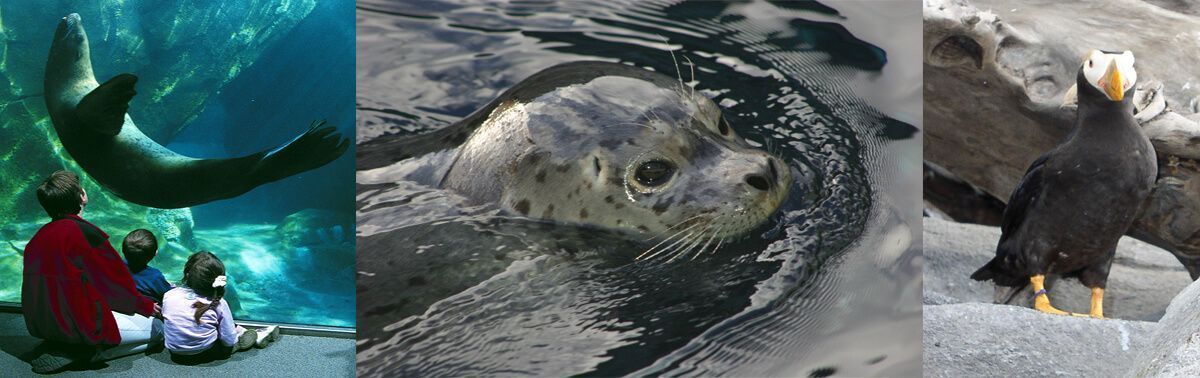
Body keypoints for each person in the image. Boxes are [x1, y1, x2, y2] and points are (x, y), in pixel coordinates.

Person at [22, 170, 162, 373]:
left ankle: (61, 345)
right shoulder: (84, 234)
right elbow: (114, 287)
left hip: (44, 326)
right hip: (78, 326)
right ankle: (88, 353)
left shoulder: (36, 239)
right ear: (82, 196)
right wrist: (146, 306)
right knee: (159, 331)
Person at [163, 251, 279, 364]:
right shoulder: (218, 303)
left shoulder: (169, 295)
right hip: (206, 353)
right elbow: (229, 340)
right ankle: (248, 337)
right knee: (226, 333)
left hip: (175, 354)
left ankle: (248, 333)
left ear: (187, 275)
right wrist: (232, 341)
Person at [123, 229, 173, 303]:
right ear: (155, 253)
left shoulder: (115, 266)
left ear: (123, 250)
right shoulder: (155, 277)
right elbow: (167, 295)